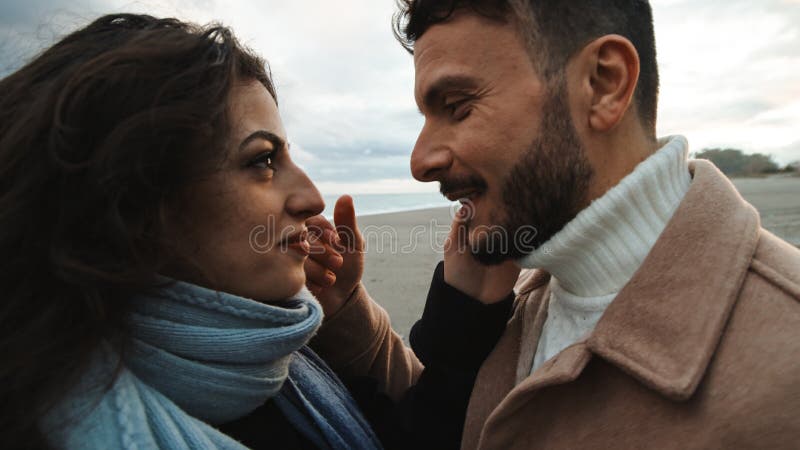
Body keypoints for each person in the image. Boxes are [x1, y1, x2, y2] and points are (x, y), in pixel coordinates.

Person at [0, 13, 513, 450]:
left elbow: (405, 435)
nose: (312, 198)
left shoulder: (268, 361)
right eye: (263, 160)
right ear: (136, 206)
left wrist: (350, 307)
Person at [384, 0, 800, 448]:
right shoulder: (508, 305)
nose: (421, 161)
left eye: (458, 106)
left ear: (603, 84)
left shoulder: (786, 361)